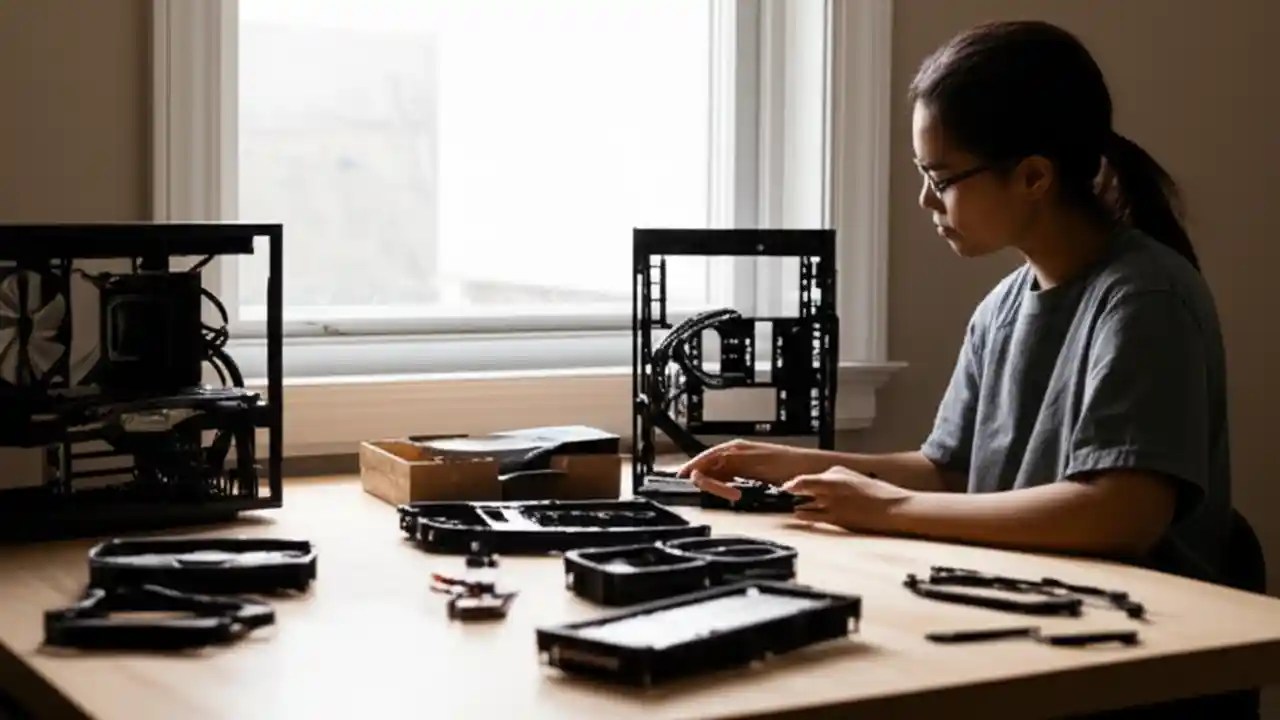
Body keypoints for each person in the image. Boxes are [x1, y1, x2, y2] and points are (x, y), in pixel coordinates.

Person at [681, 20, 1232, 585]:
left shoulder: (1145, 299)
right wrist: (797, 465)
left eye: (941, 178)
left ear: (1034, 177)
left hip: (1148, 632)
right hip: (1026, 602)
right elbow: (950, 473)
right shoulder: (1001, 309)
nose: (925, 199)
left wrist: (886, 509)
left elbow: (1123, 514)